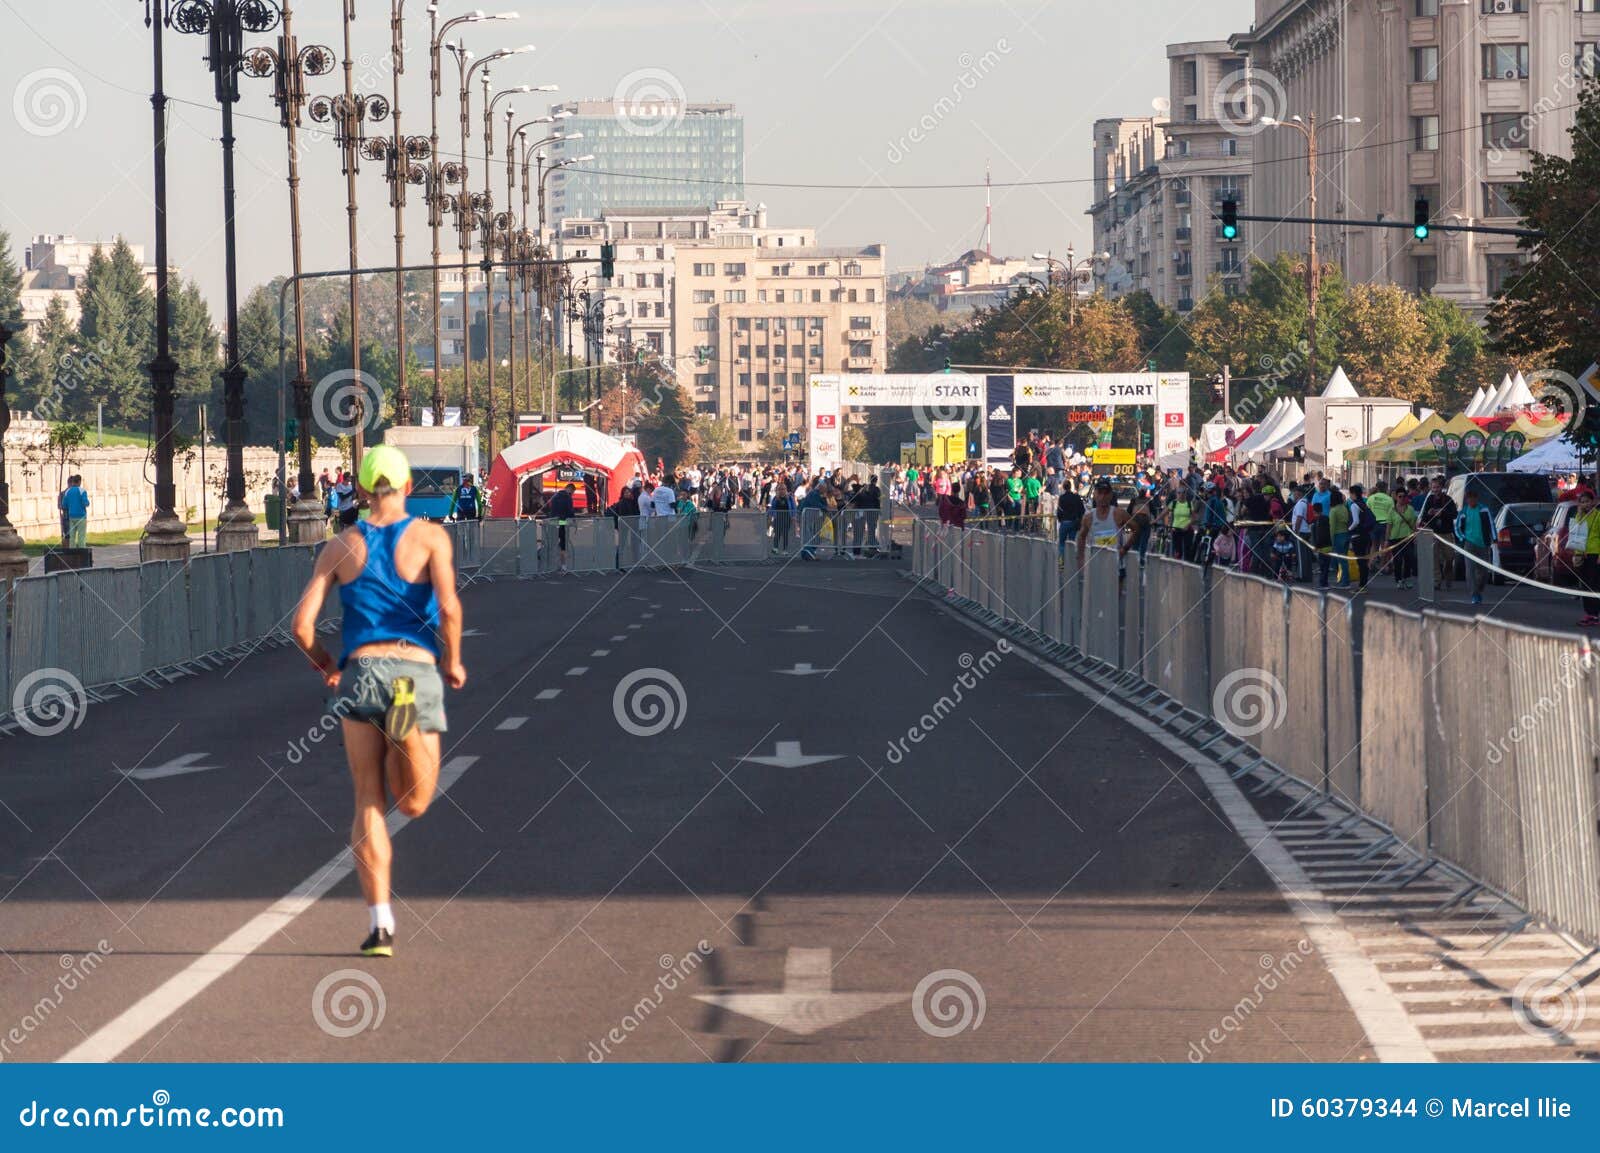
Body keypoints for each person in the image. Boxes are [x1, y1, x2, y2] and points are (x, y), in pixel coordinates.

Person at [290, 445, 465, 958]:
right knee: (415, 802)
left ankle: (380, 925)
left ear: (363, 490)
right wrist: (453, 660)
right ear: (408, 487)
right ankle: (404, 727)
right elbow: (449, 608)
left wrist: (328, 664)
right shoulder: (430, 538)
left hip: (361, 673)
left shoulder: (339, 547)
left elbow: (301, 627)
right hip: (413, 667)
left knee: (369, 798)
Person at [1454, 488, 1494, 605]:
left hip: (1483, 544)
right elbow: (1457, 527)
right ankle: (1474, 594)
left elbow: (1491, 524)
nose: (1472, 501)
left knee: (1484, 571)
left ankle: (1479, 589)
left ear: (1477, 499)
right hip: (1469, 544)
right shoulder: (1463, 512)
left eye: (1474, 499)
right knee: (1470, 570)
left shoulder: (1484, 509)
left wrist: (1494, 538)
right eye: (1469, 499)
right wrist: (1462, 538)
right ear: (1467, 500)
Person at [1419, 476, 1458, 590]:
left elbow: (1454, 514)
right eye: (1433, 487)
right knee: (1434, 558)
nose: (1435, 490)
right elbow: (1423, 517)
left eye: (1437, 487)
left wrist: (1443, 513)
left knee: (1449, 557)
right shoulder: (1429, 500)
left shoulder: (1448, 499)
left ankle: (1448, 576)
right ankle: (1437, 581)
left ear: (1441, 487)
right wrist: (1429, 513)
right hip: (1433, 533)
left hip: (1446, 533)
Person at [1077, 479, 1128, 565]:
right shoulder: (1089, 517)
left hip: (1115, 563)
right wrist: (1081, 557)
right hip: (1097, 562)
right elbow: (1082, 536)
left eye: (1105, 493)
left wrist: (1125, 548)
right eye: (1100, 493)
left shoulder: (1118, 513)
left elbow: (1135, 528)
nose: (1103, 496)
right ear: (1095, 495)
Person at [1569, 490, 1600, 625]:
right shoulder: (1579, 516)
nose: (1585, 504)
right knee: (1584, 585)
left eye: (1587, 501)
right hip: (1581, 554)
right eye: (1582, 502)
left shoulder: (1598, 516)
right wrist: (1577, 553)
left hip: (1594, 553)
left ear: (1593, 502)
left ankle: (1594, 614)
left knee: (1594, 584)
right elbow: (1576, 534)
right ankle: (1589, 613)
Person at [1055, 483, 1086, 565]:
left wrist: (1060, 519)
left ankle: (1061, 562)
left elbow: (1059, 510)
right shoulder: (1076, 497)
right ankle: (1070, 561)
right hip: (1074, 522)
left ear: (1064, 487)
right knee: (1072, 543)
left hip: (1064, 521)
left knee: (1062, 543)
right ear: (1071, 486)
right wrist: (1079, 519)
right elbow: (1082, 510)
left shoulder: (1062, 498)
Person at [548, 482, 576, 572]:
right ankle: (563, 565)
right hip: (562, 522)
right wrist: (574, 520)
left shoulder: (555, 496)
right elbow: (570, 511)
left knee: (552, 542)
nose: (572, 494)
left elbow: (551, 509)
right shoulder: (568, 497)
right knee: (563, 544)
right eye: (573, 492)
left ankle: (551, 564)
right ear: (571, 489)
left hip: (553, 522)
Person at [59, 475, 90, 548]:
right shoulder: (82, 491)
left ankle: (72, 551)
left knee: (72, 537)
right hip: (81, 517)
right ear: (79, 481)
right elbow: (86, 503)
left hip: (71, 516)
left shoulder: (68, 492)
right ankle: (81, 551)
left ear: (73, 481)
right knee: (81, 536)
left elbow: (64, 505)